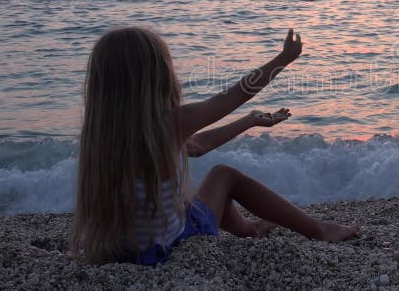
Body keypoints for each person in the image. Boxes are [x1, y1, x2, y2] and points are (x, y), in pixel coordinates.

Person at [70, 27, 359, 265]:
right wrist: (284, 58)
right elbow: (233, 95)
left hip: (125, 253)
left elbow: (197, 146)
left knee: (193, 202)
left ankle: (250, 229)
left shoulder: (101, 137)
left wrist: (248, 121)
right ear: (156, 76)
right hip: (172, 248)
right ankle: (318, 230)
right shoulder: (168, 123)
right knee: (224, 176)